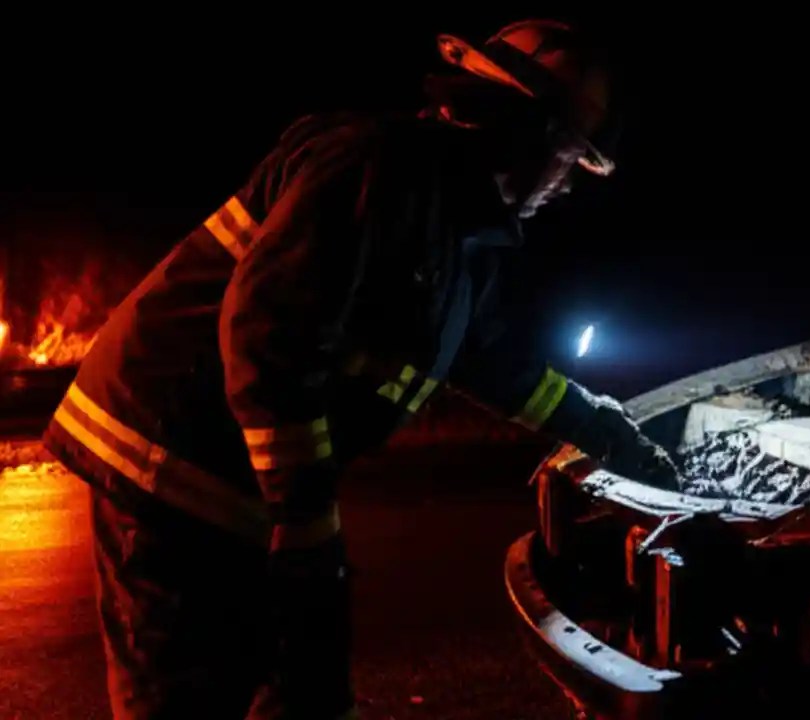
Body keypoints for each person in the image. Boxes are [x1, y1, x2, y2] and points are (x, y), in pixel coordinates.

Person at [43, 18, 678, 720]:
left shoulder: (454, 224)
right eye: (568, 156)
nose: (566, 185)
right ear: (523, 131)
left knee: (296, 678)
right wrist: (305, 520)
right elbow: (268, 334)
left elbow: (493, 361)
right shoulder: (376, 167)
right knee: (191, 691)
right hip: (167, 458)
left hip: (233, 478)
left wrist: (603, 428)